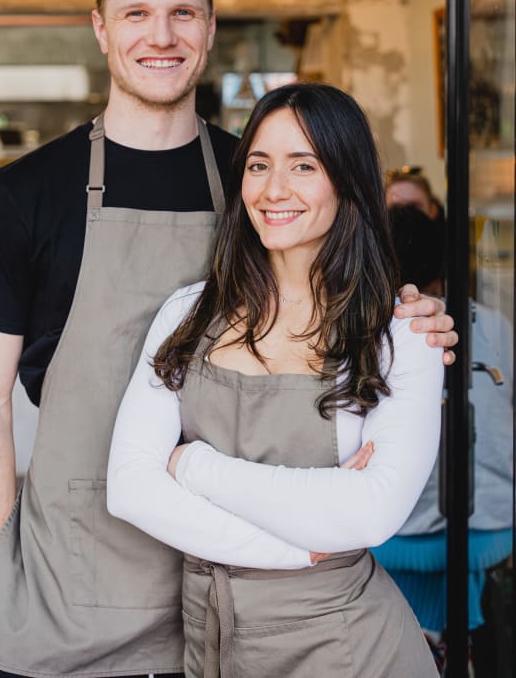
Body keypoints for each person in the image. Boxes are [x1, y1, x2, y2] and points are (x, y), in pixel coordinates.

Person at [0, 0, 457, 678]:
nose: (161, 35)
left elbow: (341, 284)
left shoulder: (253, 178)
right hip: (69, 593)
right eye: (136, 13)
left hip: (228, 611)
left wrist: (408, 313)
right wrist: (4, 577)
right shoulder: (24, 193)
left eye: (183, 13)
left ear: (211, 29)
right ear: (101, 28)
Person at [107, 82, 446, 677]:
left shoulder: (401, 334)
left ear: (347, 181)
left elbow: (369, 514)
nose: (273, 190)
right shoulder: (189, 314)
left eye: (304, 166)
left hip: (350, 652)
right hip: (211, 645)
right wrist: (291, 549)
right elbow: (130, 488)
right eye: (259, 165)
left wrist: (192, 466)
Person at [372, 204, 513, 676]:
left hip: (399, 544)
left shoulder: (373, 331)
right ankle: (453, 643)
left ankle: (430, 643)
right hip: (493, 530)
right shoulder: (491, 323)